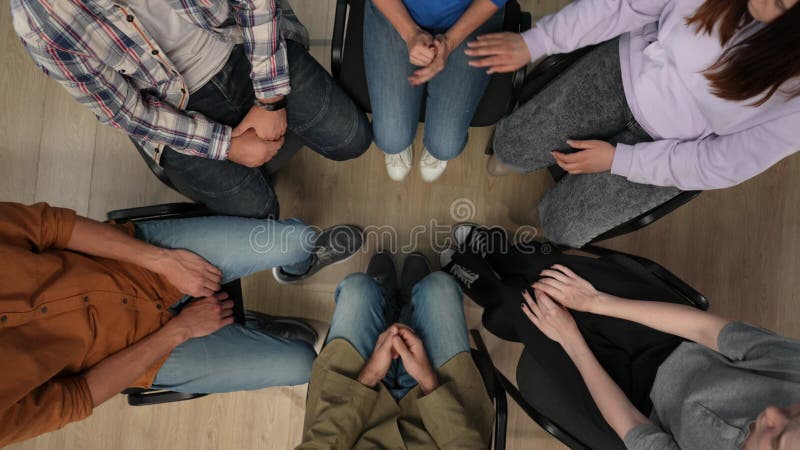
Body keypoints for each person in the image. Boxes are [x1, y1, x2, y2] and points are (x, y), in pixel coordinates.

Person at [0, 202, 364, 446]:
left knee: (298, 241)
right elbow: (78, 396)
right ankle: (251, 326)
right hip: (139, 353)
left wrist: (162, 260)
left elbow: (53, 227)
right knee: (301, 364)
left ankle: (293, 269)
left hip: (133, 265)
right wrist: (179, 331)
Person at [464, 0, 800, 247]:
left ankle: (531, 219)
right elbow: (621, 6)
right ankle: (509, 161)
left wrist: (620, 160)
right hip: (628, 71)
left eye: (781, 4)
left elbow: (724, 163)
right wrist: (534, 42)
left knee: (562, 226)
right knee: (516, 142)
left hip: (678, 148)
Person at [441, 225, 800, 450]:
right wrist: (597, 302)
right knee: (550, 274)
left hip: (633, 403)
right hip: (671, 339)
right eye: (793, 413)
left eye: (776, 440)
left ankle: (484, 286)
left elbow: (633, 427)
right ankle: (502, 252)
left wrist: (571, 339)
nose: (770, 413)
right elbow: (705, 329)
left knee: (520, 307)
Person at [10, 0, 372, 219]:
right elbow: (127, 112)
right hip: (170, 108)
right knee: (257, 214)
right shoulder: (38, 21)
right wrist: (226, 145)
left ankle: (268, 144)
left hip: (236, 43)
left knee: (351, 140)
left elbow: (254, 4)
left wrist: (269, 98)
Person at [297, 252, 494, 449]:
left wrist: (370, 375)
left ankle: (388, 302)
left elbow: (320, 444)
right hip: (440, 419)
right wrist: (428, 381)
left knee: (358, 289)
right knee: (440, 288)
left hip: (352, 418)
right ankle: (410, 307)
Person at [365, 0, 505, 182]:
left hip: (473, 14)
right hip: (397, 7)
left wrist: (450, 41)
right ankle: (399, 145)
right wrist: (409, 32)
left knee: (445, 146)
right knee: (391, 140)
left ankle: (435, 149)